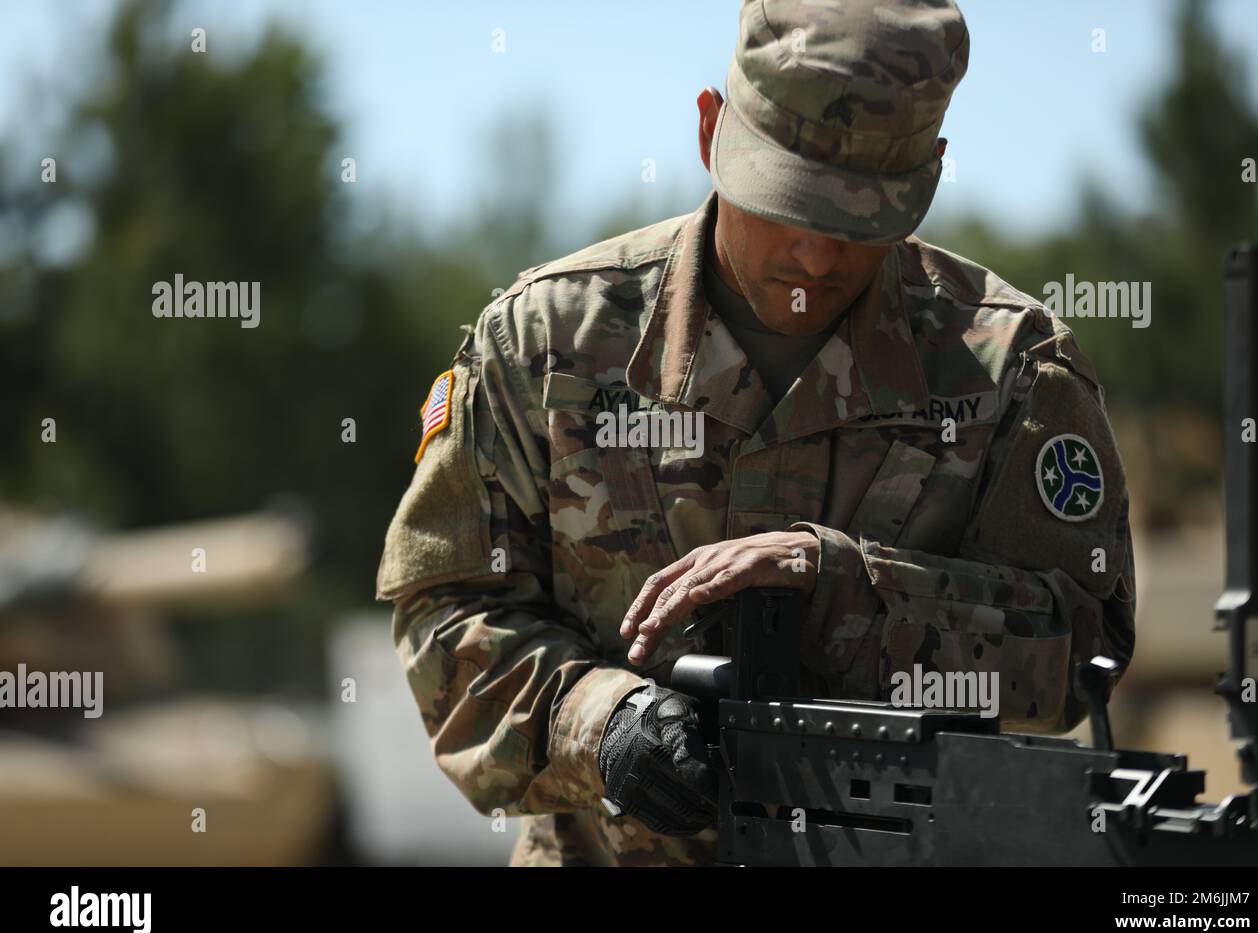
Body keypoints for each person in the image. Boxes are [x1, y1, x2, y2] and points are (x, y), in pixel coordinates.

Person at [376, 0, 1136, 866]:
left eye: (859, 221)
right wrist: (603, 722)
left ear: (932, 172)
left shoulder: (1012, 370)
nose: (814, 259)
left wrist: (846, 589)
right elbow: (448, 619)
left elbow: (1084, 650)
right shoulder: (544, 342)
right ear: (709, 130)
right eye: (788, 203)